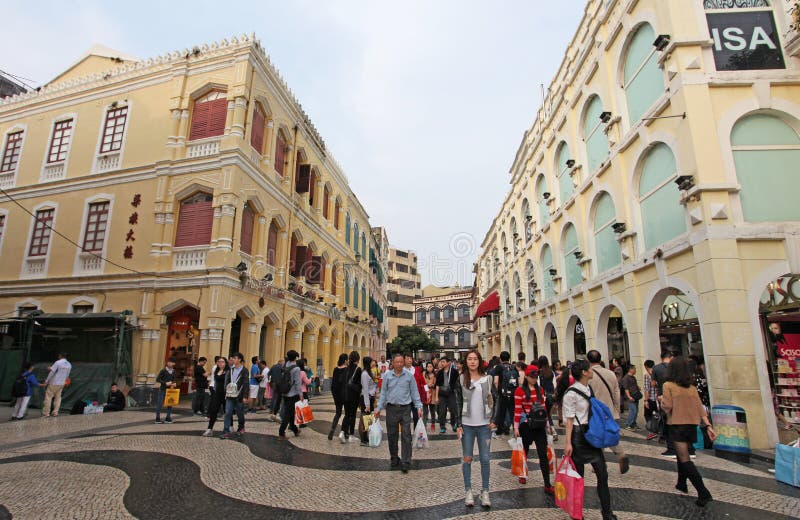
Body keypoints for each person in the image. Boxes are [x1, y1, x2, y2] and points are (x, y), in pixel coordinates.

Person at [563, 359, 618, 520]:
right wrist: (568, 443)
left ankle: (607, 512)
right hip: (578, 437)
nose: (592, 370)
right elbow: (569, 420)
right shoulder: (571, 393)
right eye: (589, 368)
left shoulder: (589, 388)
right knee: (578, 478)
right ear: (584, 372)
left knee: (603, 474)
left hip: (591, 435)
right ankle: (576, 512)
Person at [661, 356, 715, 507]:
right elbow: (700, 407)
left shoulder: (668, 386)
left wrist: (662, 401)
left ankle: (703, 491)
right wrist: (708, 425)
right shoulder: (691, 388)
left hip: (677, 425)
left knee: (685, 458)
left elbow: (667, 407)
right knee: (681, 453)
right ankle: (681, 483)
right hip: (691, 425)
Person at [456, 349, 494, 508]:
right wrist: (458, 424)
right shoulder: (461, 379)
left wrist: (495, 420)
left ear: (480, 361)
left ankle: (485, 491)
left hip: (485, 425)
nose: (472, 362)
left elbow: (495, 399)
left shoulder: (488, 379)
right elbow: (457, 402)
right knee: (467, 458)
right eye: (469, 359)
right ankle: (468, 491)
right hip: (467, 425)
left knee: (485, 459)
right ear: (466, 362)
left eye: (475, 359)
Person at [375, 353, 423, 473]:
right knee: (392, 435)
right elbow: (383, 393)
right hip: (391, 408)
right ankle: (394, 458)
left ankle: (406, 461)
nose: (399, 364)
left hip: (405, 408)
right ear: (393, 363)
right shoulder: (387, 375)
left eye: (401, 362)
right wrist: (379, 408)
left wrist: (419, 406)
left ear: (404, 362)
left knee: (406, 435)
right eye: (397, 362)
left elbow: (414, 392)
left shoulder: (409, 376)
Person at [587, 350, 629, 474]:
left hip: (595, 411)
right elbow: (616, 393)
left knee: (597, 435)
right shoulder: (611, 374)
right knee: (609, 433)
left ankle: (600, 462)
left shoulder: (589, 375)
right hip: (609, 409)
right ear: (600, 360)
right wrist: (617, 408)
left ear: (588, 361)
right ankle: (621, 455)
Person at [514, 365, 554, 494]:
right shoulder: (520, 391)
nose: (534, 379)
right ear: (526, 376)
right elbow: (518, 409)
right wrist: (516, 427)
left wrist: (548, 423)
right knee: (524, 451)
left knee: (542, 454)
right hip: (526, 425)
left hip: (539, 425)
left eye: (536, 376)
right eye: (532, 376)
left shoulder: (540, 390)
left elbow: (543, 408)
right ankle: (522, 474)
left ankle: (547, 483)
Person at [221, 352, 250, 439]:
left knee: (240, 413)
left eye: (235, 358)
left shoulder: (244, 370)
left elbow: (246, 383)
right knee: (228, 412)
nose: (233, 359)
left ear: (240, 359)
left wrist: (245, 396)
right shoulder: (231, 370)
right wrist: (226, 391)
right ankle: (226, 431)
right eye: (232, 358)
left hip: (239, 395)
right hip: (230, 395)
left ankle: (241, 427)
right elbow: (227, 381)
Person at [653, 349, 676, 457]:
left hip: (663, 398)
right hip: (676, 398)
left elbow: (653, 384)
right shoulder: (675, 367)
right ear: (670, 357)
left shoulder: (656, 368)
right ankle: (687, 448)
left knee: (666, 421)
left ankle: (670, 447)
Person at [492, 351, 518, 437]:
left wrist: (497, 391)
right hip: (513, 393)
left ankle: (500, 430)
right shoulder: (513, 367)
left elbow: (496, 381)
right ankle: (515, 429)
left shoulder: (498, 367)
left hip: (502, 393)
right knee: (512, 411)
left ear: (501, 358)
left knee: (501, 412)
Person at [278, 350, 303, 439]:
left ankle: (295, 430)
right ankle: (281, 432)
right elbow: (297, 382)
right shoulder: (296, 368)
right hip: (293, 394)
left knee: (292, 412)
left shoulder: (285, 365)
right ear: (295, 358)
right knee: (288, 414)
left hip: (285, 393)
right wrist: (301, 394)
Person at [203, 357, 229, 436]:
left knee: (227, 412)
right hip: (217, 393)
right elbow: (214, 381)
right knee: (213, 411)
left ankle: (228, 428)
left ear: (225, 363)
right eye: (219, 362)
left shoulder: (228, 371)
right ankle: (209, 429)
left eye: (222, 362)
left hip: (226, 394)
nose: (220, 363)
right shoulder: (217, 370)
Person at [341, 351, 362, 443]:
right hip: (353, 396)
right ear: (357, 359)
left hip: (345, 396)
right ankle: (351, 435)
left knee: (347, 414)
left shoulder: (346, 368)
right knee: (352, 415)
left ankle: (343, 432)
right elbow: (359, 385)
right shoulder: (358, 369)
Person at [42, 352, 72, 417]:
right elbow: (67, 375)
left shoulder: (58, 362)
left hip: (54, 382)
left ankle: (46, 413)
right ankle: (55, 412)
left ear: (60, 356)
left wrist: (46, 381)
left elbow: (52, 372)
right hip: (62, 383)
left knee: (48, 397)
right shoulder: (69, 364)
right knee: (58, 398)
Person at [434, 356, 459, 434]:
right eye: (441, 362)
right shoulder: (440, 372)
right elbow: (437, 385)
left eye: (443, 362)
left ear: (448, 363)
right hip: (442, 394)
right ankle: (442, 426)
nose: (442, 363)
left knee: (453, 409)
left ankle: (454, 423)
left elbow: (457, 384)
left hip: (451, 393)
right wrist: (436, 397)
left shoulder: (454, 372)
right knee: (442, 411)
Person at [328, 353, 349, 440]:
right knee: (347, 414)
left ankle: (332, 430)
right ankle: (344, 432)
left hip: (337, 396)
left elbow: (333, 385)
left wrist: (334, 395)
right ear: (345, 361)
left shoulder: (335, 369)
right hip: (345, 395)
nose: (348, 361)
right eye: (347, 360)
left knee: (338, 413)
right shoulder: (347, 370)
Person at [537, 355, 558, 440]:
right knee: (548, 414)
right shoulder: (551, 372)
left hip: (543, 396)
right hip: (551, 396)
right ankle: (551, 430)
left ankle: (551, 431)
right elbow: (555, 384)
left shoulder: (539, 372)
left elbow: (538, 385)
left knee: (545, 415)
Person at [155, 357, 177, 424]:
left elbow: (173, 379)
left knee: (170, 404)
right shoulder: (163, 371)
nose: (170, 364)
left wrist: (174, 383)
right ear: (167, 363)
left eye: (172, 363)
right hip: (162, 390)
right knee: (160, 404)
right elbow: (158, 379)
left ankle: (168, 418)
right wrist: (165, 383)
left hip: (170, 390)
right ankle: (157, 418)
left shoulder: (173, 371)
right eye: (169, 362)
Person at [359, 356, 376, 444]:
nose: (374, 363)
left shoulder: (369, 372)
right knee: (364, 419)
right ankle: (363, 438)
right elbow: (365, 390)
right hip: (367, 398)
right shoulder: (365, 374)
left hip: (370, 398)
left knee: (368, 419)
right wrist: (367, 405)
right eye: (372, 361)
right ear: (368, 363)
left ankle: (366, 437)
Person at [621, 363, 641, 430]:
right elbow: (626, 389)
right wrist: (629, 397)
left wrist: (638, 387)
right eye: (634, 368)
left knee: (636, 411)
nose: (635, 370)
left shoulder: (633, 377)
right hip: (631, 397)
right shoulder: (626, 378)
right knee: (633, 411)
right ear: (630, 369)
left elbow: (635, 385)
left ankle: (633, 423)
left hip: (635, 396)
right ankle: (628, 424)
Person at [643, 360, 658, 440]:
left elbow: (646, 389)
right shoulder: (658, 373)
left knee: (648, 415)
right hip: (658, 399)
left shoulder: (647, 375)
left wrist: (646, 400)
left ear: (646, 366)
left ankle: (652, 432)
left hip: (651, 399)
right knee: (658, 415)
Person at [423, 361, 437, 429]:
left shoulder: (435, 375)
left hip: (433, 394)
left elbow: (436, 384)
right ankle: (424, 424)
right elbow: (422, 383)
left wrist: (432, 385)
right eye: (428, 366)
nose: (429, 368)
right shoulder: (423, 374)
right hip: (425, 394)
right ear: (426, 367)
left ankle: (433, 423)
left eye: (431, 366)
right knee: (425, 411)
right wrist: (427, 386)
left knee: (432, 410)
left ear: (433, 367)